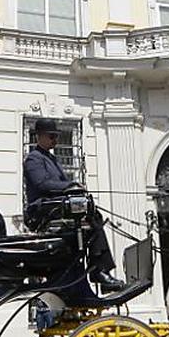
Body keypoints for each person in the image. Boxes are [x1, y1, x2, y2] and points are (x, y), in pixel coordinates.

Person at [23, 118, 125, 292]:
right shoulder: (34, 158)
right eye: (51, 136)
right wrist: (70, 186)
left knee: (94, 215)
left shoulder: (51, 159)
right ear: (39, 136)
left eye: (56, 136)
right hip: (42, 209)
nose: (55, 140)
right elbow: (42, 184)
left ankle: (100, 268)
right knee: (91, 217)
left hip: (55, 206)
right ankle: (99, 271)